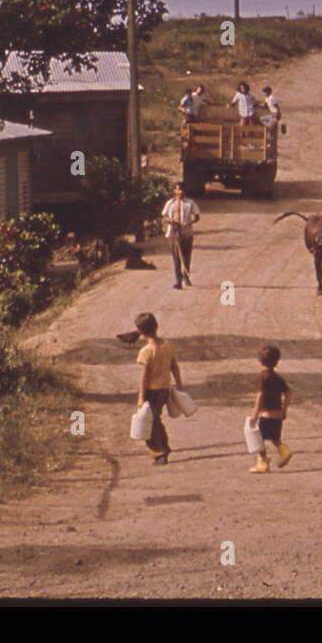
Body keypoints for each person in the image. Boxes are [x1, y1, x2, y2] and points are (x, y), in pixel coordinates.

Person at [134, 312, 183, 465]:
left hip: (151, 390)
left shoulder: (146, 352)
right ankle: (164, 446)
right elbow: (174, 367)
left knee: (149, 422)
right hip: (164, 388)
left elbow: (145, 376)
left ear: (140, 332)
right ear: (157, 326)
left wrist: (141, 396)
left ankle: (159, 451)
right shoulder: (167, 346)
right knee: (156, 419)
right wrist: (179, 385)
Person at [249, 344, 293, 473]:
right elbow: (289, 392)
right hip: (278, 415)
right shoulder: (278, 378)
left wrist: (255, 415)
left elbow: (260, 396)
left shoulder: (262, 378)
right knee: (275, 438)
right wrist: (285, 409)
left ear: (260, 362)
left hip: (266, 415)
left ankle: (263, 463)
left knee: (259, 440)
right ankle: (284, 451)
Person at [161, 182, 200, 290]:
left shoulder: (190, 203)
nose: (180, 192)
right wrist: (170, 220)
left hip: (186, 233)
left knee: (186, 256)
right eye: (178, 189)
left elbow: (197, 216)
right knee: (176, 257)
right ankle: (178, 280)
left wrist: (189, 223)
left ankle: (186, 275)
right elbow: (164, 216)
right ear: (174, 191)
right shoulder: (170, 203)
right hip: (174, 233)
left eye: (182, 190)